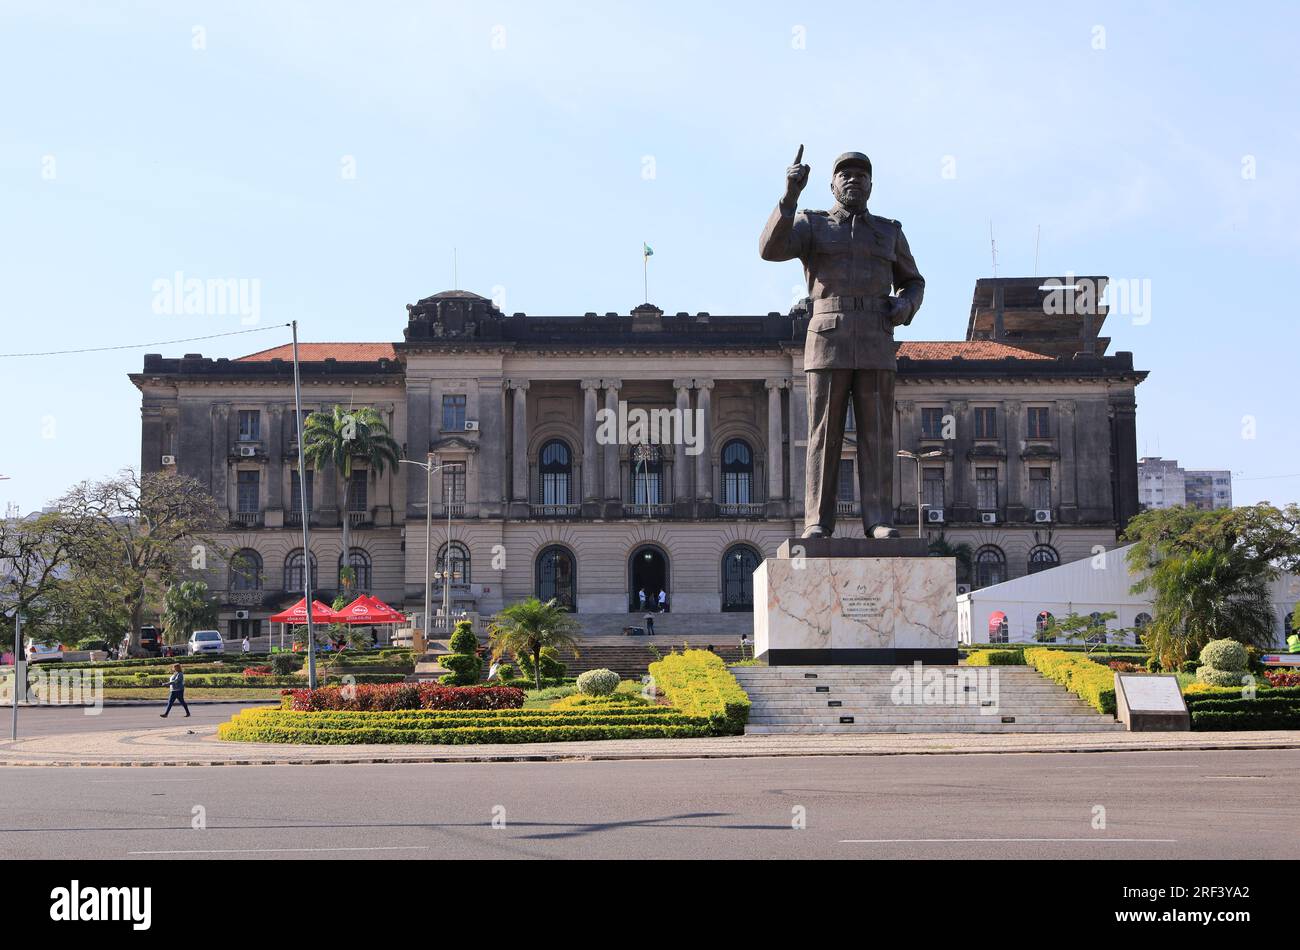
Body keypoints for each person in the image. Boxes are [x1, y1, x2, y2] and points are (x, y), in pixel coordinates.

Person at [760, 149, 925, 540]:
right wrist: (789, 195)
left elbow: (914, 280)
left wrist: (905, 305)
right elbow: (769, 249)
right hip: (828, 338)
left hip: (876, 336)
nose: (853, 180)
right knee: (824, 434)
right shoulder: (813, 224)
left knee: (878, 435)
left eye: (861, 175)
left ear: (871, 185)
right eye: (845, 174)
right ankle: (817, 521)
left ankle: (879, 520)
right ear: (832, 184)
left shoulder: (889, 231)